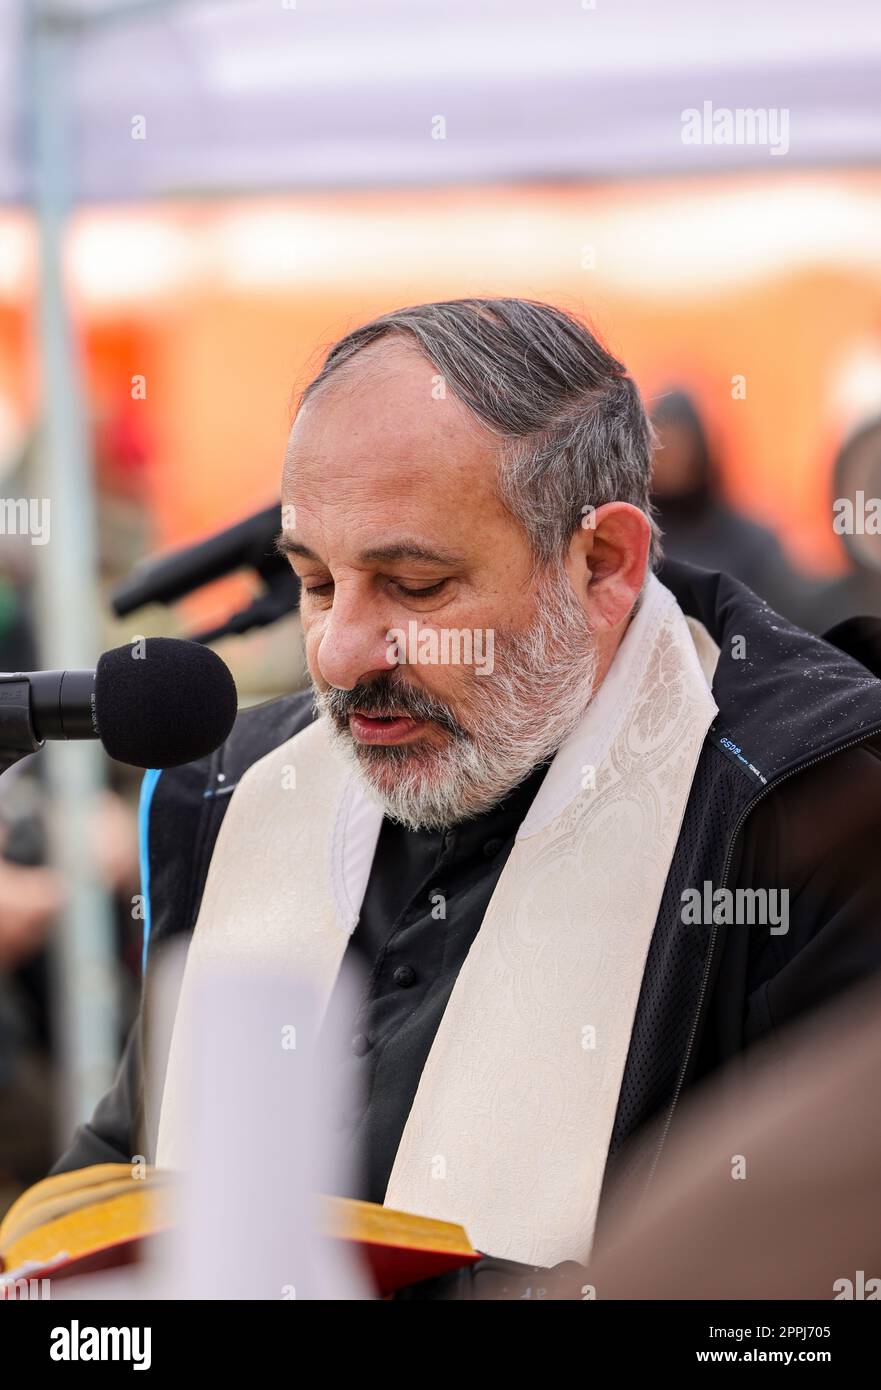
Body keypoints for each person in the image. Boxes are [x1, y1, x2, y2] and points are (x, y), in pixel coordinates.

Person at [50, 298, 881, 1298]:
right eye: (314, 582)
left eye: (413, 586)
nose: (339, 652)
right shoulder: (242, 786)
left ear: (601, 564)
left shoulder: (802, 813)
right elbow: (124, 1176)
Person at [650, 389, 814, 627]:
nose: (672, 456)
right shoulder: (636, 539)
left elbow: (782, 626)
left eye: (680, 443)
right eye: (663, 443)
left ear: (700, 448)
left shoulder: (752, 544)